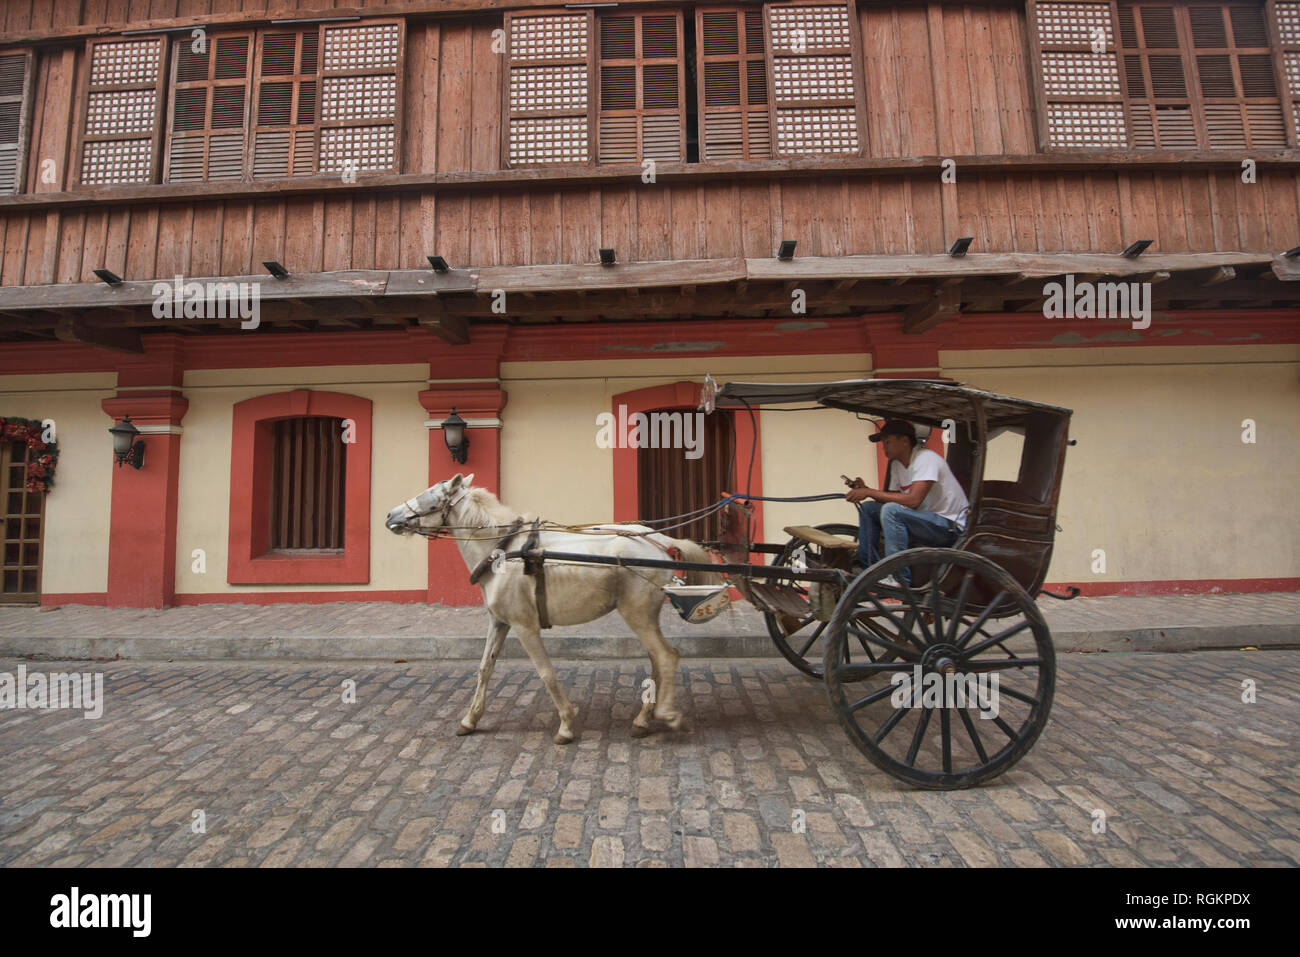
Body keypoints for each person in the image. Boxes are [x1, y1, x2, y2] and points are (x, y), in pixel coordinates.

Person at [846, 419, 970, 585]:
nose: (884, 447)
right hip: (926, 520)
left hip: (948, 526)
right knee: (869, 508)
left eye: (888, 442)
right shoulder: (897, 465)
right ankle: (870, 568)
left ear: (904, 441)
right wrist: (865, 489)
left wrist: (868, 492)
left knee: (891, 511)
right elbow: (890, 498)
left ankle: (898, 577)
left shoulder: (926, 459)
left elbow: (913, 501)